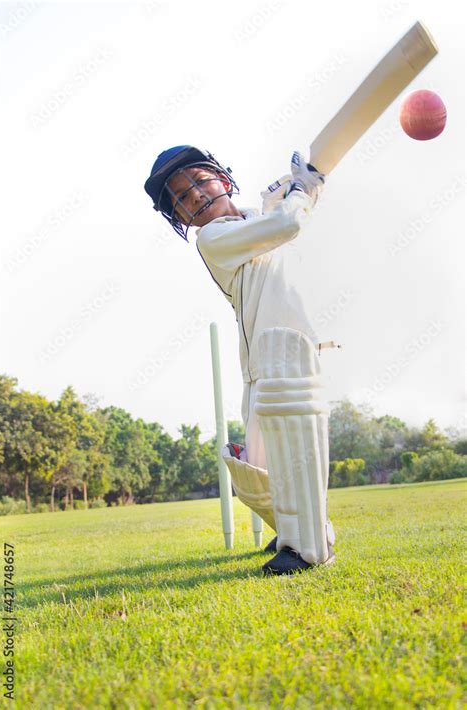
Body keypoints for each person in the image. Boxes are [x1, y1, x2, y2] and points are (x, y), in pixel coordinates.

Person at [144, 145, 339, 575]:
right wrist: (301, 191)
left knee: (292, 445)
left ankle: (305, 548)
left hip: (292, 349)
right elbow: (287, 223)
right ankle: (304, 528)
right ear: (180, 217)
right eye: (180, 196)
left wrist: (299, 188)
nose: (192, 194)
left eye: (198, 180)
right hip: (261, 359)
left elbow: (285, 220)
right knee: (252, 472)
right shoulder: (213, 238)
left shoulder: (256, 217)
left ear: (222, 177)